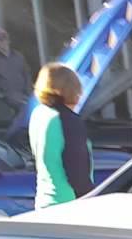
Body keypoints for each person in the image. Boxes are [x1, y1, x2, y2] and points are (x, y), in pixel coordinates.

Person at [30, 63, 94, 208]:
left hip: (43, 202)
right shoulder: (68, 120)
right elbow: (78, 174)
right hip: (68, 206)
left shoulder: (38, 114)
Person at [0, 27, 31, 118]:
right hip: (6, 97)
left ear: (9, 40)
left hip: (22, 95)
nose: (2, 41)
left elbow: (26, 74)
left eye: (4, 38)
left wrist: (28, 91)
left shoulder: (18, 56)